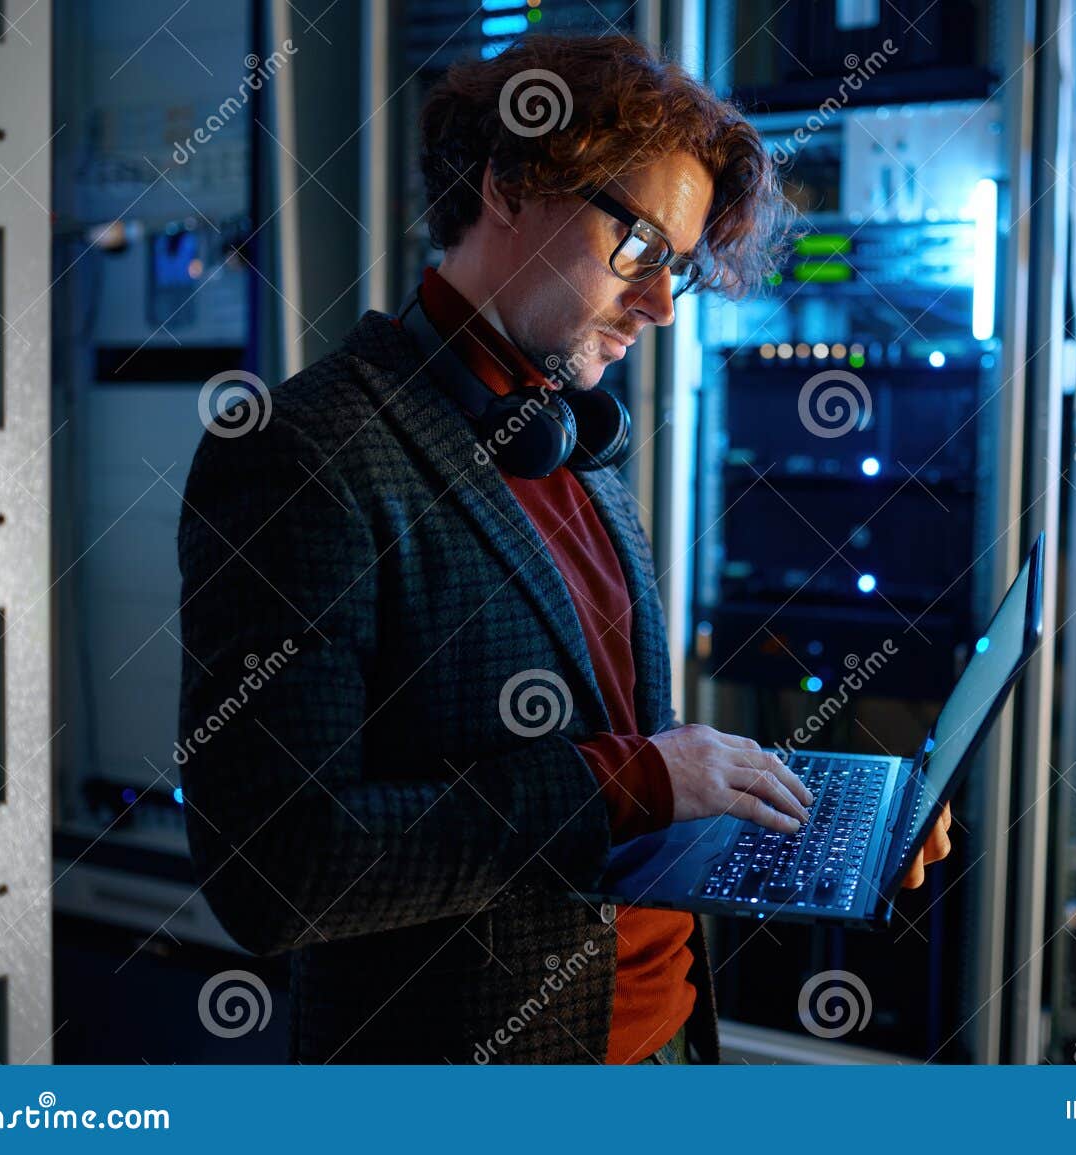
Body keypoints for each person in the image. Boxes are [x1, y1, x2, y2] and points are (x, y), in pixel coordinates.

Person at [175, 31, 952, 1065]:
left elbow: (634, 760)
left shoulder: (565, 437)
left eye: (676, 267)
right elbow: (276, 872)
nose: (663, 305)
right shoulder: (305, 455)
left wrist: (795, 807)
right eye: (638, 248)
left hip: (664, 1034)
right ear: (511, 182)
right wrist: (621, 783)